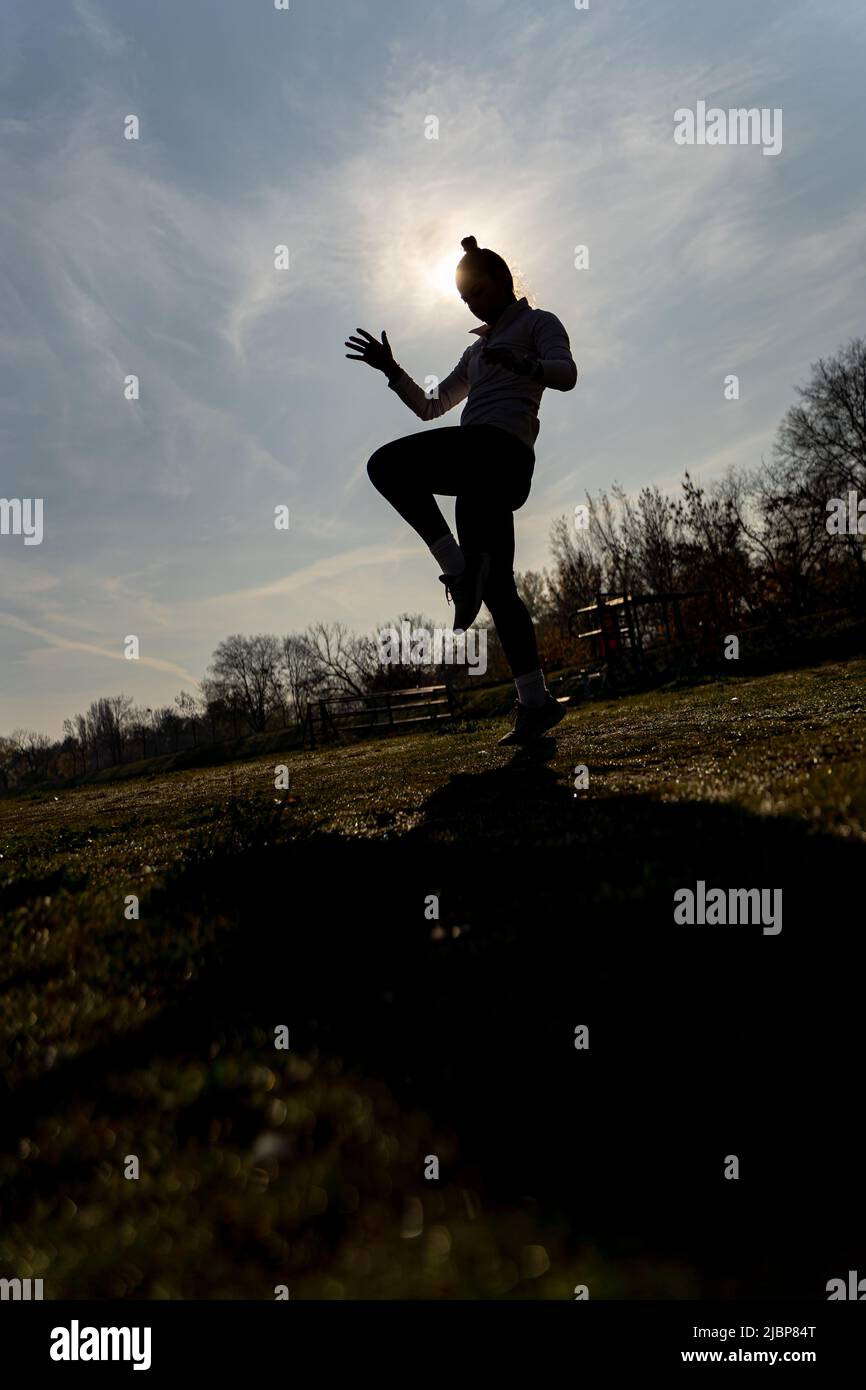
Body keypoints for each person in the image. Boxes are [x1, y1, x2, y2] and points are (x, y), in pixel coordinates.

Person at [345, 235, 578, 745]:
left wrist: (530, 367)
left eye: (475, 291)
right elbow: (433, 406)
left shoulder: (539, 323)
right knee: (500, 591)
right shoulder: (475, 350)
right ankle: (535, 704)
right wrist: (392, 370)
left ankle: (455, 569)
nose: (470, 303)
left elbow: (568, 373)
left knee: (385, 465)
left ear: (500, 281)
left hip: (501, 453)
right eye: (463, 299)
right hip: (479, 475)